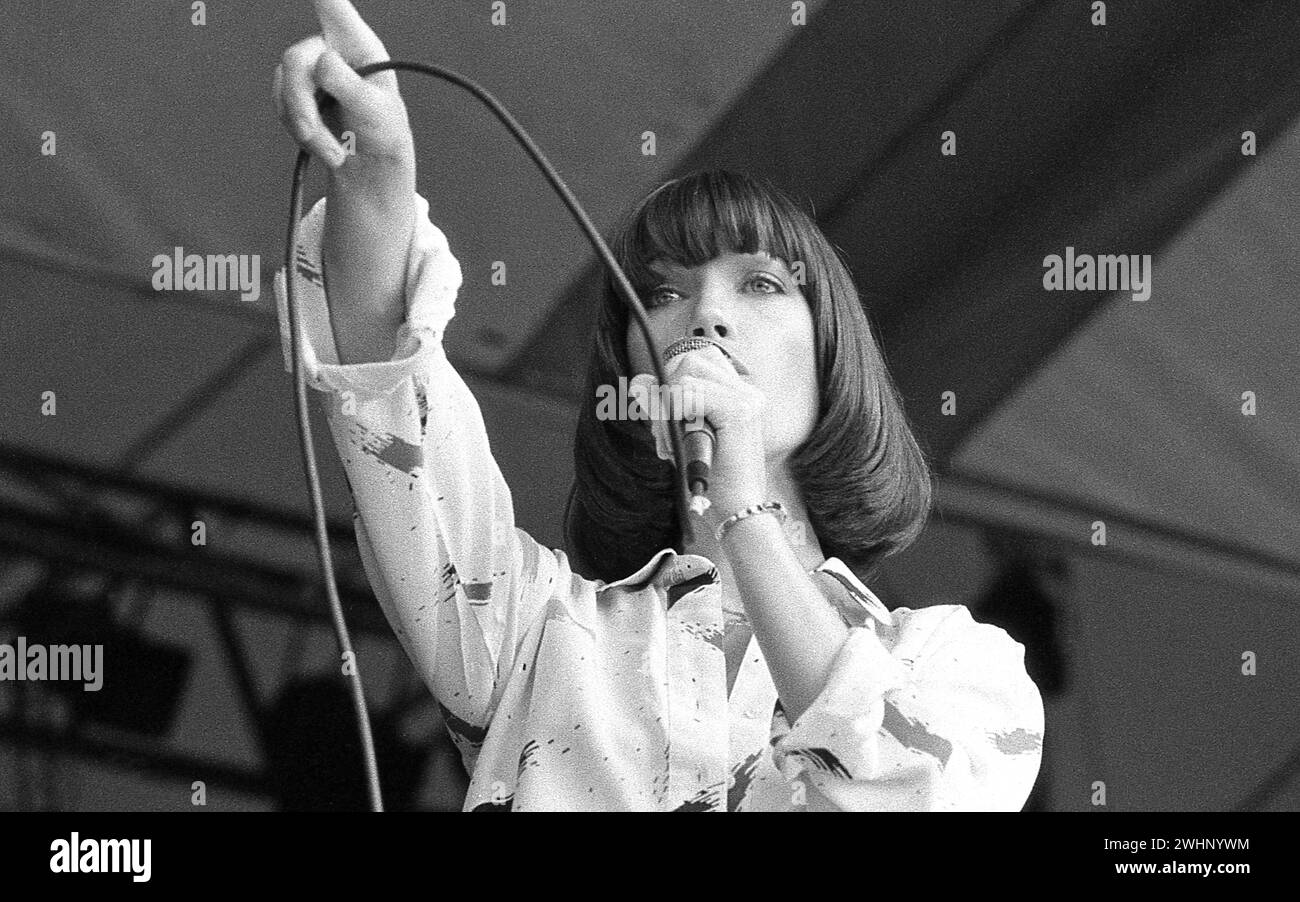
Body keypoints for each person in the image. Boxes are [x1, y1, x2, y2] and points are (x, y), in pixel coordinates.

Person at [272, 0, 1044, 811]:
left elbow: (903, 789)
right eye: (664, 292)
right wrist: (378, 167)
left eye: (760, 283)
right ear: (635, 385)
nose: (705, 317)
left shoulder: (957, 666)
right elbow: (392, 400)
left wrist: (743, 509)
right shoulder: (535, 632)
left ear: (831, 361)